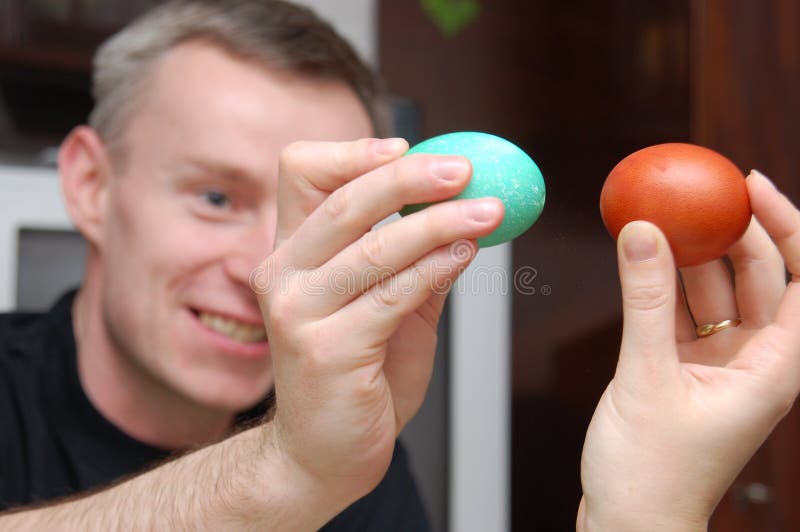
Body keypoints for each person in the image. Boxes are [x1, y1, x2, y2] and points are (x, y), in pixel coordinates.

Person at [0, 0, 798, 530]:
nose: (264, 266)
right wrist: (284, 476)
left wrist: (642, 516)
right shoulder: (319, 458)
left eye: (308, 211)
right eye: (214, 197)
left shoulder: (357, 460)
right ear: (92, 187)